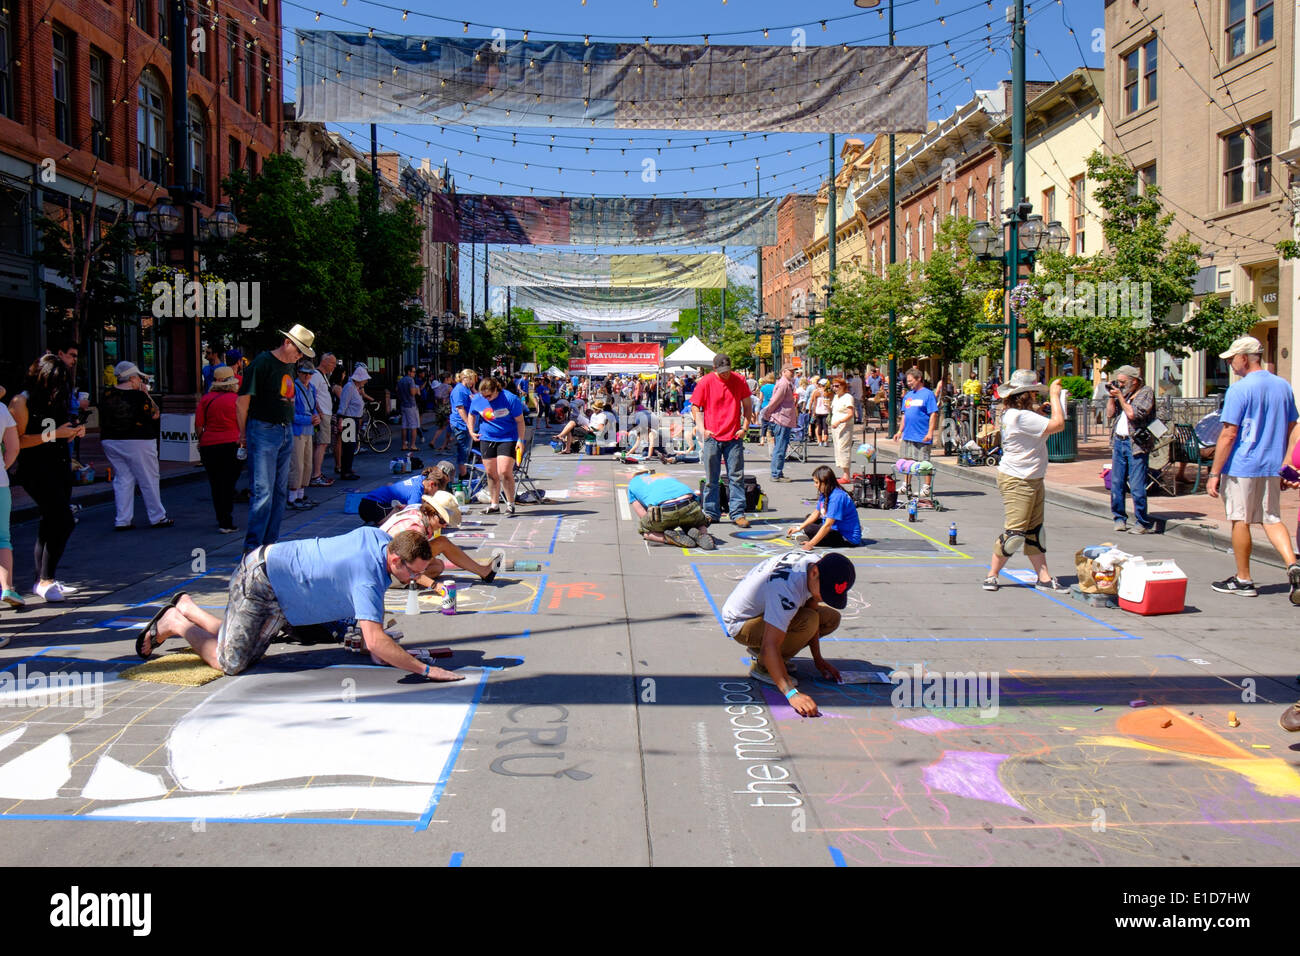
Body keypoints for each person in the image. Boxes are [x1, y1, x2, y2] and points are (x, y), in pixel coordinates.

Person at [137, 528, 462, 680]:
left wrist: (390, 652)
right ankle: (174, 622)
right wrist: (425, 669)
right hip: (261, 581)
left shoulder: (380, 539)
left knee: (243, 643)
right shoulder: (367, 578)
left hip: (285, 591)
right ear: (395, 558)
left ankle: (189, 608)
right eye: (412, 573)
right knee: (230, 663)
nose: (411, 581)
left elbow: (374, 645)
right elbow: (375, 642)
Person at [1206, 336, 1300, 602]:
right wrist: (1287, 462)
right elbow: (1294, 426)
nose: (1230, 365)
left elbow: (1228, 433)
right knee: (1271, 517)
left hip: (1243, 464)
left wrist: (1215, 473)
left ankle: (1244, 578)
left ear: (1244, 358)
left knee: (1240, 518)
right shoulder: (1283, 386)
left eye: (1232, 359)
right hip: (1271, 463)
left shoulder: (1240, 389)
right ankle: (1293, 565)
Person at [720, 550, 855, 716]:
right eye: (825, 592)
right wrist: (792, 694)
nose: (824, 598)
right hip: (742, 623)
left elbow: (813, 610)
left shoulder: (817, 565)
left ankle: (771, 656)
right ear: (814, 573)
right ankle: (764, 667)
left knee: (830, 618)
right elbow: (771, 646)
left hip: (763, 611)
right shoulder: (786, 589)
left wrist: (818, 659)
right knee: (808, 621)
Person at [983, 370, 1069, 593]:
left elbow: (1034, 426)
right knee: (1015, 533)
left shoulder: (1017, 414)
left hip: (1031, 477)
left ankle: (1044, 578)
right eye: (1033, 393)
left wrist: (1040, 411)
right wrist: (1055, 397)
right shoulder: (1021, 417)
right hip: (1019, 479)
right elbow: (1058, 424)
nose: (1035, 397)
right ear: (1026, 394)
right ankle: (991, 575)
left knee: (1034, 531)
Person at [9, 352, 85, 601]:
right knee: (62, 519)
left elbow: (60, 430)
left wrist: (74, 430)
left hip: (60, 464)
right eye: (54, 381)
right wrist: (56, 435)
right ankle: (45, 580)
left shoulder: (57, 400)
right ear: (41, 377)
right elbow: (16, 441)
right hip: (36, 469)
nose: (57, 387)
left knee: (51, 522)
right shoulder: (22, 401)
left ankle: (45, 579)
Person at [237, 325, 315, 552]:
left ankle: (270, 544)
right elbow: (242, 403)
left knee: (280, 491)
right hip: (263, 429)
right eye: (299, 351)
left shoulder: (289, 366)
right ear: (288, 342)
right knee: (264, 491)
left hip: (284, 429)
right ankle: (253, 547)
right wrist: (242, 434)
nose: (299, 357)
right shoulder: (261, 363)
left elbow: (287, 397)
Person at [100, 361, 172, 530]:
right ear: (132, 378)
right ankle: (157, 516)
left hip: (110, 440)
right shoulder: (139, 396)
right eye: (139, 378)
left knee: (123, 478)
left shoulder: (107, 394)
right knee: (148, 477)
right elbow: (155, 414)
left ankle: (122, 519)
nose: (141, 381)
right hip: (138, 439)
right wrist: (146, 395)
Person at [380, 491, 504, 585]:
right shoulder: (415, 529)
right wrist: (435, 586)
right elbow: (403, 563)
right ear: (432, 513)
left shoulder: (418, 512)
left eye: (447, 523)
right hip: (389, 570)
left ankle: (483, 571)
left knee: (438, 564)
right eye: (442, 521)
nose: (444, 525)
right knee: (441, 548)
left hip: (388, 561)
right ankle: (483, 572)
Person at [691, 353, 755, 529]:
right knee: (712, 478)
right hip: (713, 436)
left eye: (728, 370)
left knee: (736, 476)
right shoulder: (706, 382)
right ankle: (711, 512)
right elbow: (695, 406)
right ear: (714, 369)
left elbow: (747, 405)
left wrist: (745, 428)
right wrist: (703, 429)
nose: (726, 374)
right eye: (722, 371)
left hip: (734, 436)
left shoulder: (739, 380)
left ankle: (737, 513)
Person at [1106, 364, 1158, 534]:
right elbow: (1109, 414)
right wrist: (1111, 397)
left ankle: (1142, 521)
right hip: (1119, 442)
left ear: (1134, 381)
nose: (1119, 385)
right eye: (1118, 382)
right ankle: (1119, 518)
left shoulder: (1145, 392)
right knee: (1116, 483)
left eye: (1122, 382)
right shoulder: (1124, 394)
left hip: (1136, 444)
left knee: (1136, 485)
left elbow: (1133, 414)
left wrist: (1120, 396)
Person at [469, 375, 526, 515]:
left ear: (496, 390)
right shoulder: (478, 399)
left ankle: (510, 503)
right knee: (491, 473)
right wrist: (471, 431)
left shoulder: (510, 399)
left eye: (489, 396)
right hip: (487, 438)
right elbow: (472, 414)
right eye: (484, 396)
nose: (486, 399)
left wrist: (520, 440)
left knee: (504, 471)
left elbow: (520, 421)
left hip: (508, 437)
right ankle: (494, 504)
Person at [196, 364, 243, 534]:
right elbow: (242, 423)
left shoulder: (206, 399)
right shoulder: (237, 400)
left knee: (215, 483)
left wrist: (201, 441)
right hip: (232, 443)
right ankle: (226, 520)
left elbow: (199, 425)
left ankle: (221, 517)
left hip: (209, 444)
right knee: (228, 483)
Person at [626, 468, 717, 549]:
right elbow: (696, 499)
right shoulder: (663, 476)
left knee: (645, 531)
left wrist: (651, 525)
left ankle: (668, 538)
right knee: (698, 522)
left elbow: (642, 513)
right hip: (688, 505)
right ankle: (701, 533)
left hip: (665, 511)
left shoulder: (632, 484)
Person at [787, 465, 862, 549]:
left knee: (810, 528)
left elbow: (828, 525)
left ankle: (816, 539)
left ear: (825, 482)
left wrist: (811, 544)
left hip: (847, 538)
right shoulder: (826, 492)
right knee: (809, 518)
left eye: (816, 482)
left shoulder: (837, 497)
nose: (815, 485)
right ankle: (817, 538)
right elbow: (816, 513)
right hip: (836, 529)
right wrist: (798, 528)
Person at [892, 367, 939, 497]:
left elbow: (933, 414)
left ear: (919, 379)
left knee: (923, 462)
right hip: (908, 434)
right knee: (907, 461)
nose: (909, 383)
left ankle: (927, 487)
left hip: (922, 434)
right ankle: (906, 485)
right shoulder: (908, 396)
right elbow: (905, 415)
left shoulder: (928, 394)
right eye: (907, 381)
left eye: (911, 380)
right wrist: (899, 431)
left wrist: (930, 433)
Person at [358, 467, 447, 526]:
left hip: (367, 502)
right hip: (371, 507)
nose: (436, 493)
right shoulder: (416, 492)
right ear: (432, 484)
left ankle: (377, 520)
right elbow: (416, 516)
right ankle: (379, 523)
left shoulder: (420, 479)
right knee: (402, 512)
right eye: (437, 490)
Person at [0, 387, 22, 620]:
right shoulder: (1, 409)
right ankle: (7, 587)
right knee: (3, 538)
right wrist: (3, 466)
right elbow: (13, 448)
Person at [287, 360, 320, 512]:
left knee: (307, 464)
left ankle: (301, 495)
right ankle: (292, 497)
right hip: (297, 431)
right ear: (298, 373)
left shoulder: (311, 388)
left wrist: (316, 417)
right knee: (297, 464)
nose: (307, 376)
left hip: (308, 430)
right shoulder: (293, 388)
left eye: (310, 373)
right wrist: (309, 419)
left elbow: (313, 408)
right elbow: (290, 414)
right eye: (304, 373)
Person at [761, 365, 798, 482]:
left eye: (793, 371)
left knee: (781, 446)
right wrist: (767, 414)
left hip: (784, 419)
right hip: (781, 419)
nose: (793, 373)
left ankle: (778, 472)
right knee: (780, 447)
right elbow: (774, 401)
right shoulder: (783, 384)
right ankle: (776, 473)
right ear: (784, 372)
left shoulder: (787, 383)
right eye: (790, 371)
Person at [308, 352, 336, 488]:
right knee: (322, 444)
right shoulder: (316, 375)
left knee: (320, 444)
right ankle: (316, 475)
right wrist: (318, 411)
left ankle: (315, 473)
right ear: (324, 361)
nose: (334, 366)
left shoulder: (322, 376)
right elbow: (312, 394)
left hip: (325, 413)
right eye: (332, 363)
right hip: (322, 414)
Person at [335, 364, 367, 481]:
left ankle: (347, 469)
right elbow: (343, 404)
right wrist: (340, 418)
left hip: (352, 419)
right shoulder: (349, 387)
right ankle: (346, 471)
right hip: (348, 419)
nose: (366, 381)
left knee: (350, 446)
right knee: (348, 446)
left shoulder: (353, 388)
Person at [448, 369, 478, 479]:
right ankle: (463, 474)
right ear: (466, 378)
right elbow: (460, 409)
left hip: (465, 424)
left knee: (466, 448)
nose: (474, 381)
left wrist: (474, 389)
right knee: (463, 449)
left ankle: (465, 470)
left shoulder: (467, 389)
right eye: (472, 379)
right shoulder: (459, 390)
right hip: (461, 424)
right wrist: (469, 424)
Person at [829, 377, 856, 483]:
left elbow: (850, 414)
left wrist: (840, 421)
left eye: (837, 386)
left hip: (844, 427)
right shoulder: (836, 397)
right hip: (835, 427)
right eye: (833, 386)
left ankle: (846, 475)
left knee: (843, 448)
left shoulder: (848, 397)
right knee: (838, 449)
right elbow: (834, 411)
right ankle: (844, 474)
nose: (835, 388)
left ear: (843, 386)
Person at [396, 364, 420, 452]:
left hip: (403, 405)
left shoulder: (400, 380)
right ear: (409, 372)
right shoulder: (411, 380)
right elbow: (412, 393)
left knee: (404, 426)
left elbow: (397, 391)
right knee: (414, 425)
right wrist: (417, 390)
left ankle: (404, 445)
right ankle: (413, 445)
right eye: (413, 371)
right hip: (411, 405)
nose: (414, 373)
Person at [809, 378, 831, 445]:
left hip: (818, 411)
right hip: (826, 411)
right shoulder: (828, 392)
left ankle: (820, 441)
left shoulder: (816, 392)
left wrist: (812, 411)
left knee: (819, 426)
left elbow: (814, 402)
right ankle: (826, 441)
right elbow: (830, 401)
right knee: (825, 427)